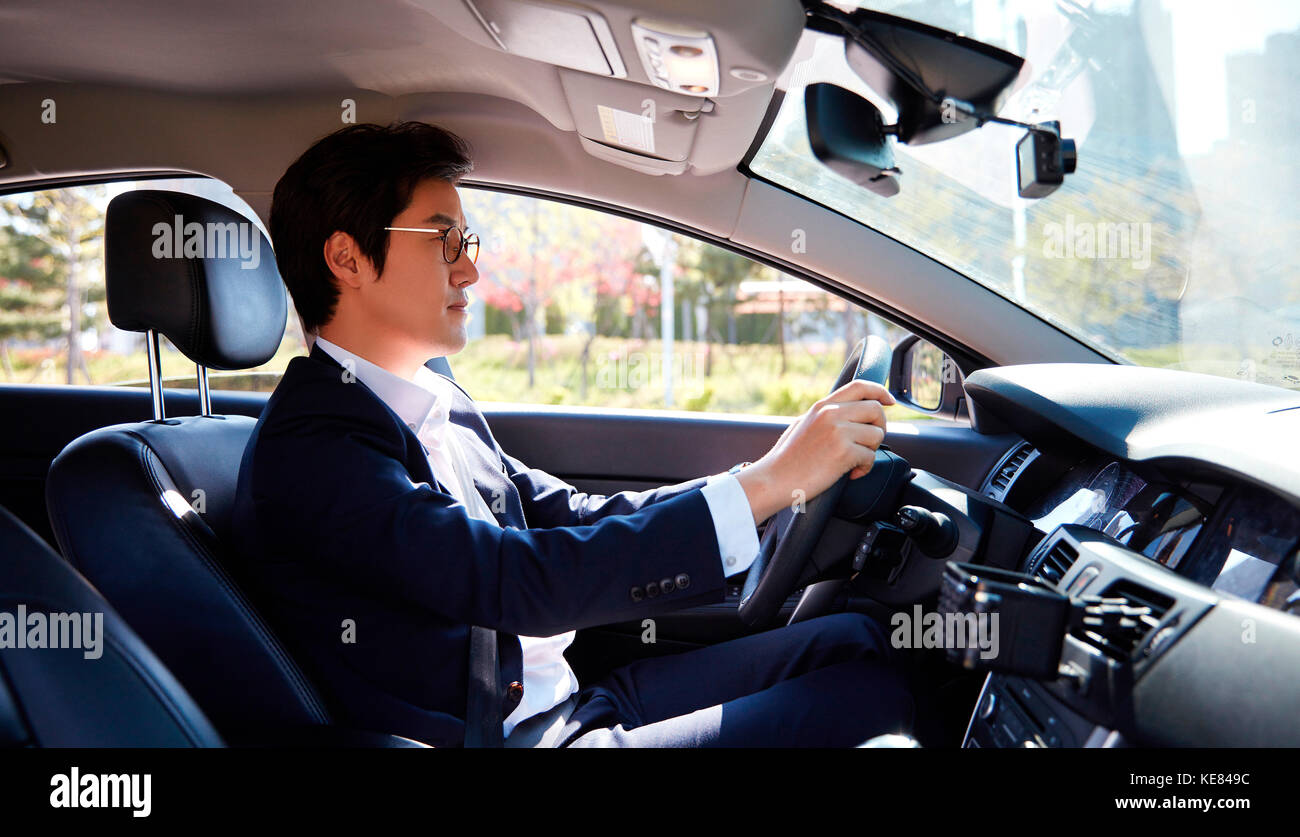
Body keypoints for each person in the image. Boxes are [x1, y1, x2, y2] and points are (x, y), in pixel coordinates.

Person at [231, 121, 912, 747]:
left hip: (576, 704)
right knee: (870, 698)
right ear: (346, 258)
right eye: (443, 241)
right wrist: (772, 484)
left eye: (466, 242)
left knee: (855, 642)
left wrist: (758, 482)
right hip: (510, 738)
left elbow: (575, 517)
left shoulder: (432, 395)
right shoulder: (317, 447)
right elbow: (515, 578)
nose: (469, 269)